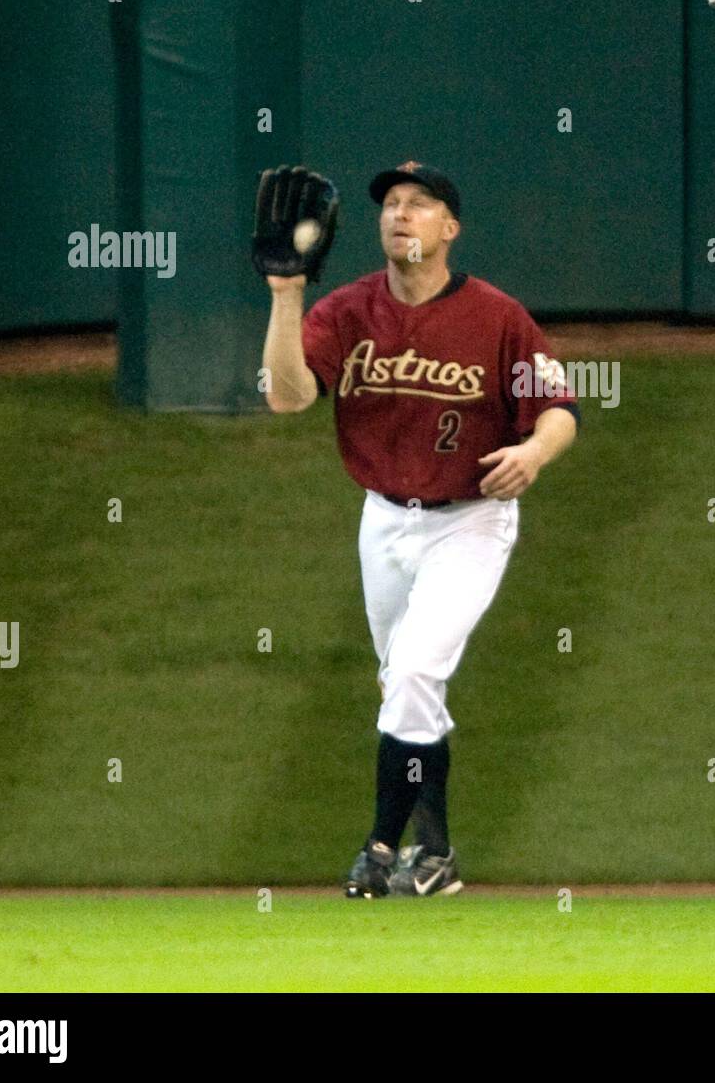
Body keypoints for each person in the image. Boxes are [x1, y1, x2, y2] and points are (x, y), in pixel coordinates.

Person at [253, 161, 579, 897]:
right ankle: (436, 855)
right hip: (384, 520)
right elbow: (286, 396)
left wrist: (533, 449)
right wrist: (285, 296)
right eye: (391, 205)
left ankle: (377, 849)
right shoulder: (346, 309)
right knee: (403, 684)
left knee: (412, 672)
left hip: (471, 518)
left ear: (449, 228)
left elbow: (561, 407)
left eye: (419, 205)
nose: (400, 215)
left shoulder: (497, 317)